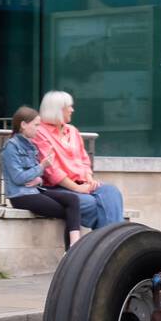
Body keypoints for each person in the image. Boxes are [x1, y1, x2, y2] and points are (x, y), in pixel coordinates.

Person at [34, 90, 126, 229]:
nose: (72, 110)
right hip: (56, 188)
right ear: (57, 110)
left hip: (82, 183)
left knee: (111, 191)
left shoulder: (72, 131)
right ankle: (113, 241)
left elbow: (84, 160)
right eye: (69, 107)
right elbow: (52, 171)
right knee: (92, 204)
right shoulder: (40, 133)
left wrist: (88, 178)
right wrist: (77, 188)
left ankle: (107, 241)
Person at [1, 106, 83, 249]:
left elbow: (37, 178)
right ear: (23, 125)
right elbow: (18, 178)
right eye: (36, 125)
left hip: (35, 191)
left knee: (72, 199)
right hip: (21, 196)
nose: (38, 129)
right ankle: (72, 251)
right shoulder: (11, 147)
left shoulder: (31, 145)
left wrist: (38, 177)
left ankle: (75, 245)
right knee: (68, 213)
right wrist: (42, 166)